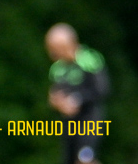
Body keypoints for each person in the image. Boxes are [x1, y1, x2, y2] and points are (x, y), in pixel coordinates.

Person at [46, 23, 110, 164]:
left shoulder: (89, 59)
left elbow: (102, 89)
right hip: (68, 125)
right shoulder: (57, 68)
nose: (52, 54)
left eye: (55, 49)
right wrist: (56, 102)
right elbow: (54, 94)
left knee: (84, 160)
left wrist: (77, 100)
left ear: (68, 44)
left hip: (89, 119)